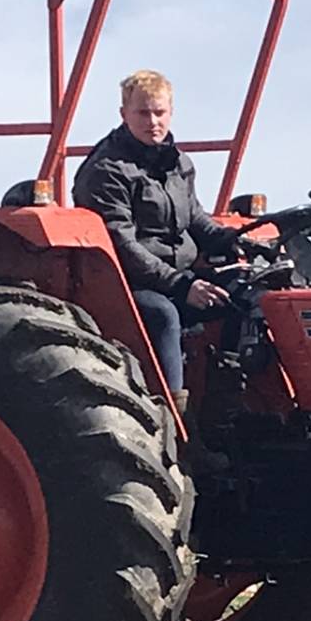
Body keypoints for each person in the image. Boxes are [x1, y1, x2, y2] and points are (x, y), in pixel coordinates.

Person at [73, 70, 245, 465]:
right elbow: (123, 244)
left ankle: (227, 410)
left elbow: (195, 219)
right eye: (143, 113)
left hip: (177, 277)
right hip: (128, 284)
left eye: (159, 112)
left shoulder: (178, 163)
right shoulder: (107, 169)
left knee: (246, 297)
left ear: (172, 113)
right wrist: (182, 285)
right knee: (164, 315)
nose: (153, 122)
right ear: (124, 114)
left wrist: (233, 241)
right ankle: (178, 436)